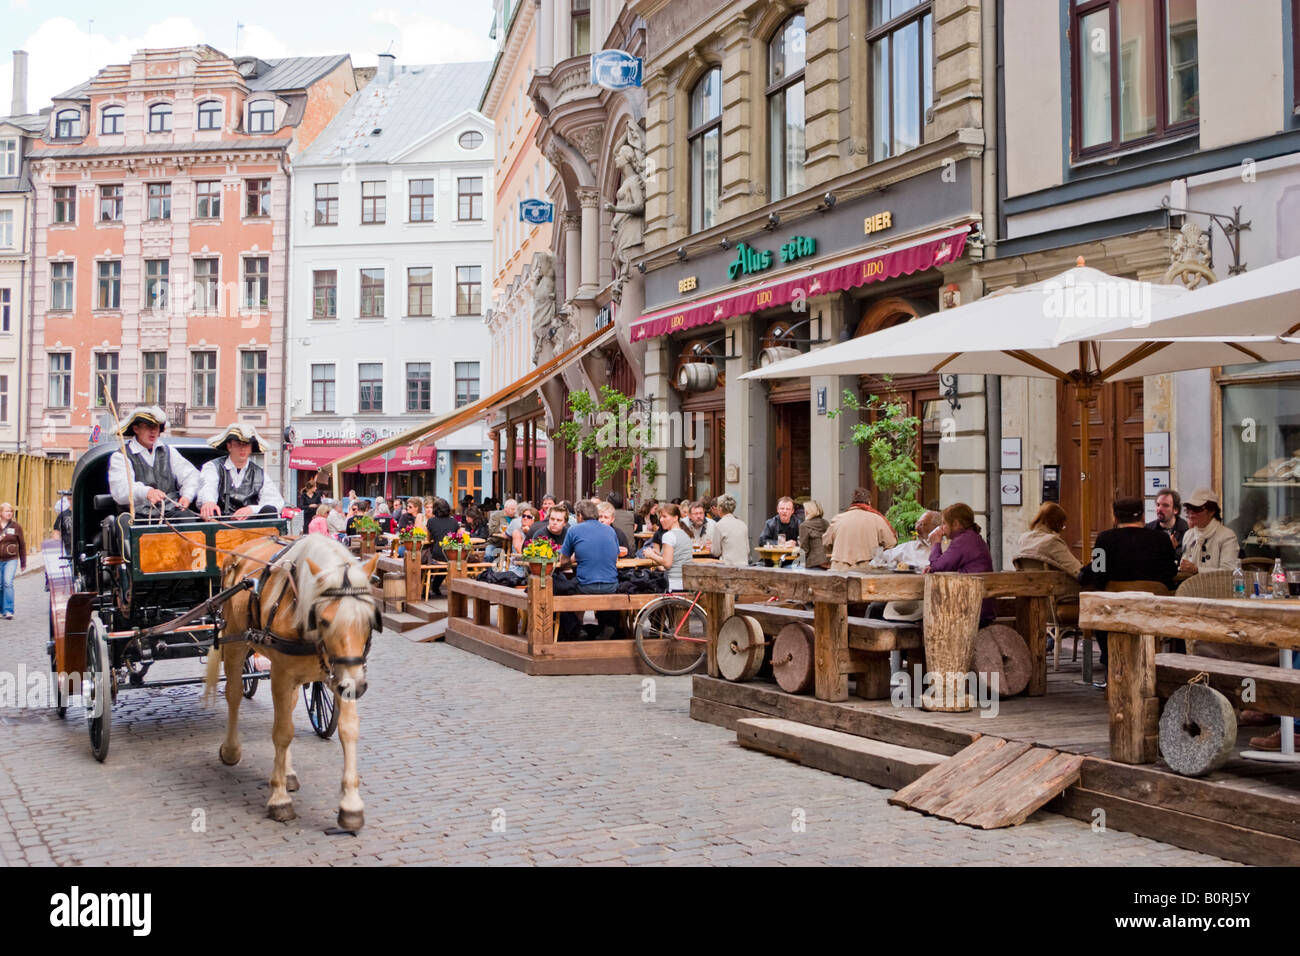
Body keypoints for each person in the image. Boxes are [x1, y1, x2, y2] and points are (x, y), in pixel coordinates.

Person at [1077, 496, 1178, 682]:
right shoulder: (1162, 539)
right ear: (1142, 517)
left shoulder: (1104, 539)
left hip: (1116, 610)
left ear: (1115, 518)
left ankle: (1110, 668)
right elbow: (1171, 571)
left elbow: (1098, 572)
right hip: (1154, 609)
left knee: (1100, 613)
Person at [108, 405, 200, 515]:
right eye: (147, 426)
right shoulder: (121, 456)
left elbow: (191, 475)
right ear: (136, 429)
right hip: (137, 517)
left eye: (156, 427)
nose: (153, 431)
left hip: (171, 513)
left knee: (188, 520)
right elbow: (121, 490)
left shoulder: (168, 451)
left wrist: (187, 496)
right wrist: (147, 492)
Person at [925, 503, 997, 627]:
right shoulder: (971, 538)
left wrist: (936, 542)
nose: (941, 528)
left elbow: (937, 568)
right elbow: (941, 566)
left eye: (944, 523)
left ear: (956, 524)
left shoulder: (964, 540)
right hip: (978, 606)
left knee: (925, 618)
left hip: (972, 610)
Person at [558, 500, 622, 640]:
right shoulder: (610, 530)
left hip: (586, 586)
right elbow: (616, 557)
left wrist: (574, 558)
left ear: (579, 515)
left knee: (560, 593)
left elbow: (563, 561)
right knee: (600, 587)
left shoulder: (574, 530)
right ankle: (606, 626)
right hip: (611, 586)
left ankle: (576, 628)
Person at [197, 424, 284, 520]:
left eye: (246, 444)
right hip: (220, 524)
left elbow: (276, 502)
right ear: (229, 446)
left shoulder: (259, 473)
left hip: (250, 527)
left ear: (251, 448)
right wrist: (209, 502)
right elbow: (209, 486)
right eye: (238, 444)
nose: (242, 448)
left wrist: (252, 509)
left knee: (269, 510)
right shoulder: (213, 467)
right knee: (209, 509)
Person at [823, 489, 898, 572]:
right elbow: (891, 543)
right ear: (869, 502)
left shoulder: (838, 519)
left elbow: (826, 543)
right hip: (866, 569)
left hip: (839, 569)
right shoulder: (877, 519)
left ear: (852, 502)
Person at [1178, 488, 1240, 575]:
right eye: (1189, 509)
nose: (1191, 514)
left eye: (1197, 509)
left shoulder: (1227, 536)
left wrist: (1197, 570)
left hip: (1217, 587)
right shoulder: (1189, 535)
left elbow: (1228, 572)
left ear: (1211, 511)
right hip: (1190, 586)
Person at [1012, 502, 1083, 575]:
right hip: (1055, 585)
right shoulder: (1052, 541)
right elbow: (1076, 570)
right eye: (1062, 525)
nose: (1062, 529)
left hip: (1028, 584)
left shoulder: (1023, 538)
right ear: (1057, 524)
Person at [645, 502, 692, 590]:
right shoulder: (685, 535)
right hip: (685, 582)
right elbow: (676, 557)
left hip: (672, 582)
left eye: (665, 516)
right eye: (660, 517)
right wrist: (657, 554)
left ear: (675, 518)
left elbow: (667, 563)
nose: (661, 520)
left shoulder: (668, 535)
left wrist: (651, 555)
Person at [875, 510, 940, 570]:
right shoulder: (908, 547)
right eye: (917, 524)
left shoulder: (945, 550)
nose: (917, 528)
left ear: (936, 527)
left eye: (922, 524)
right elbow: (879, 559)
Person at [0, 502, 27, 619]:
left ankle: (8, 610)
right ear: (1, 513)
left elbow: (22, 544)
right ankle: (2, 609)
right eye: (7, 511)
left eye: (11, 511)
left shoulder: (16, 527)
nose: (9, 513)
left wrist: (23, 562)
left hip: (11, 559)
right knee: (0, 585)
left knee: (7, 582)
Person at [1145, 487, 1188, 560]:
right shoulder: (1148, 529)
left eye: (1165, 505)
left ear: (1175, 510)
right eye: (1158, 505)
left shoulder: (1186, 530)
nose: (1159, 509)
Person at [710, 494, 750, 566]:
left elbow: (715, 552)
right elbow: (747, 550)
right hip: (744, 566)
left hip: (728, 567)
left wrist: (710, 546)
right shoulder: (743, 524)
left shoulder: (719, 525)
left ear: (720, 509)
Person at [797, 499, 830, 569]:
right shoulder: (826, 523)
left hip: (813, 564)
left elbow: (804, 550)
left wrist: (799, 563)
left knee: (785, 568)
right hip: (828, 563)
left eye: (805, 510)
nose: (804, 512)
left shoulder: (804, 525)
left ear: (809, 511)